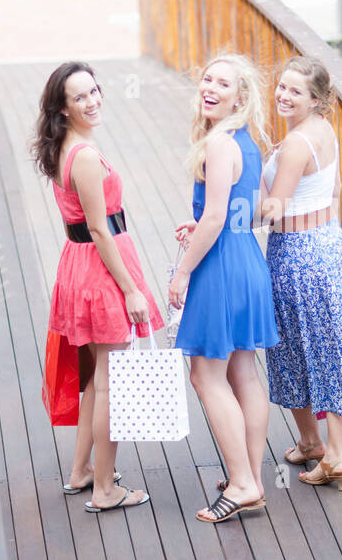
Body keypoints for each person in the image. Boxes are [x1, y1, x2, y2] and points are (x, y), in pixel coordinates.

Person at [31, 61, 163, 513]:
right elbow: (100, 229)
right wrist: (131, 290)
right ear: (63, 109)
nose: (92, 101)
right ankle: (106, 490)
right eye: (80, 97)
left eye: (94, 91)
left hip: (79, 263)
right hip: (99, 268)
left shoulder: (66, 147)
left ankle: (81, 471)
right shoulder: (84, 156)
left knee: (94, 380)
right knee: (109, 383)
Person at [169, 55, 279, 523]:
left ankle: (240, 482)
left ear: (241, 95)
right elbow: (239, 213)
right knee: (244, 374)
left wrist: (183, 272)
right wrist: (198, 227)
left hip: (220, 270)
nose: (210, 88)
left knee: (205, 376)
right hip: (246, 261)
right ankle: (250, 476)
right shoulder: (247, 144)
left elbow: (216, 217)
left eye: (223, 83)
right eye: (207, 80)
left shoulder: (217, 143)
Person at [259, 57, 342, 492]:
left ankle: (330, 453)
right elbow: (335, 190)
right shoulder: (326, 131)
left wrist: (223, 213)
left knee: (293, 348)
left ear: (316, 99)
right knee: (332, 347)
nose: (283, 95)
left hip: (297, 254)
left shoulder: (296, 145)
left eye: (294, 92)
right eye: (281, 87)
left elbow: (273, 210)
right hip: (331, 245)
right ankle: (316, 444)